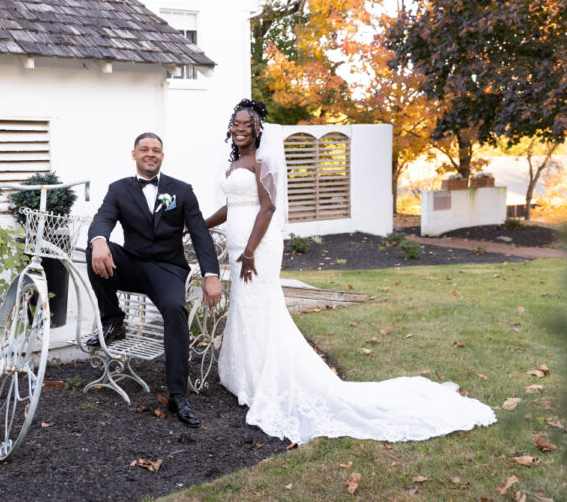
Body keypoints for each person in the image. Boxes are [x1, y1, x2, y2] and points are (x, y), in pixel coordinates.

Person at [203, 100, 497, 444]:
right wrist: (198, 223)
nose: (239, 130)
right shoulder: (235, 163)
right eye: (235, 124)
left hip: (258, 249)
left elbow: (267, 209)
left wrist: (251, 251)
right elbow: (232, 207)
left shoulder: (263, 163)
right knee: (245, 308)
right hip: (239, 248)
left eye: (246, 125)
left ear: (256, 129)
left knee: (260, 308)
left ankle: (270, 380)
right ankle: (247, 377)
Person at [87, 132, 222, 427]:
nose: (151, 154)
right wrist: (99, 240)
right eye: (145, 149)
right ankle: (113, 319)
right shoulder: (118, 189)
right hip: (132, 265)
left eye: (156, 150)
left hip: (167, 268)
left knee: (175, 310)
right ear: (134, 154)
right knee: (95, 250)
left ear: (162, 156)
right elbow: (103, 219)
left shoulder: (182, 190)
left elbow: (200, 233)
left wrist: (211, 275)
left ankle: (178, 394)